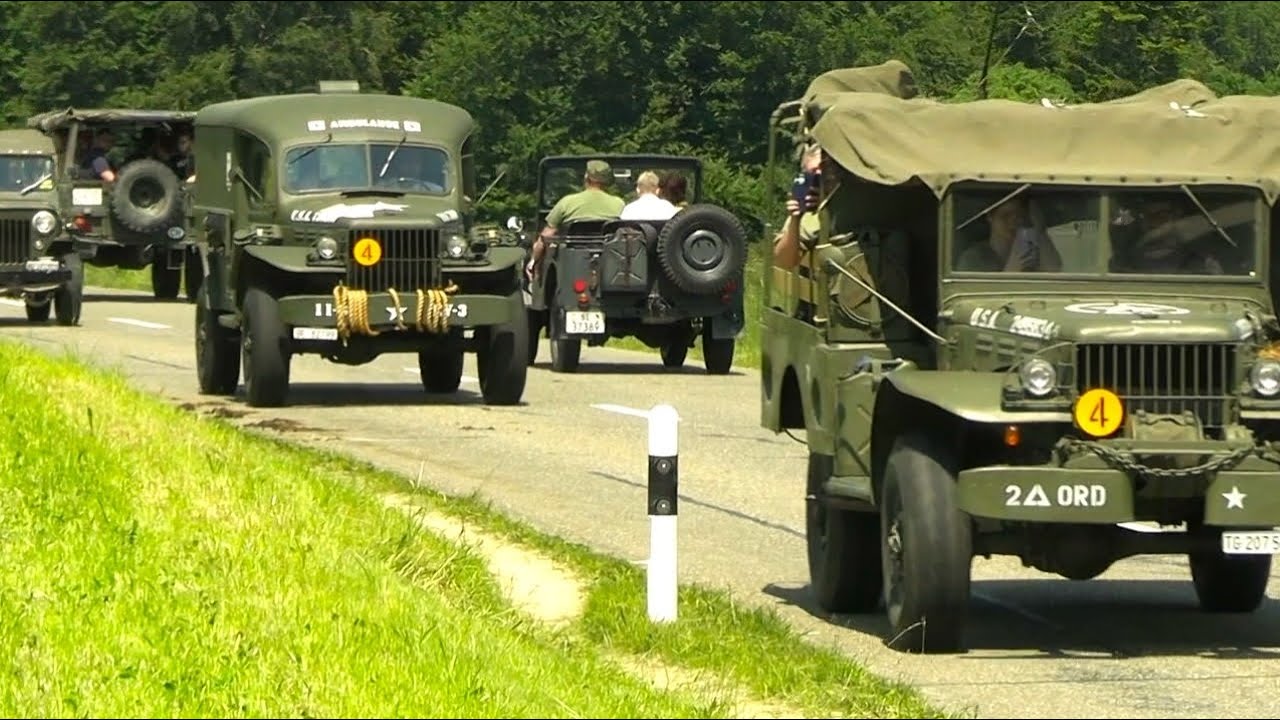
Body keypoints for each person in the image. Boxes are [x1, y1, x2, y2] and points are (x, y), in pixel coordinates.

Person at [526, 159, 624, 280]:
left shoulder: (567, 202)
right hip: (611, 263)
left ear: (586, 177)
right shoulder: (619, 204)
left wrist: (533, 261)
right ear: (607, 181)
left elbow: (546, 236)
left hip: (573, 263)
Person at [954, 195, 1062, 272]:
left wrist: (1039, 229)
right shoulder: (973, 258)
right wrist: (1013, 268)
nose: (1013, 222)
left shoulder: (1030, 253)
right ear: (990, 217)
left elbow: (1055, 271)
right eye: (1005, 215)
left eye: (1018, 216)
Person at [772, 145, 822, 270]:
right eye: (814, 172)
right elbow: (783, 262)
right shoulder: (806, 215)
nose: (820, 174)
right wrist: (795, 219)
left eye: (824, 168)